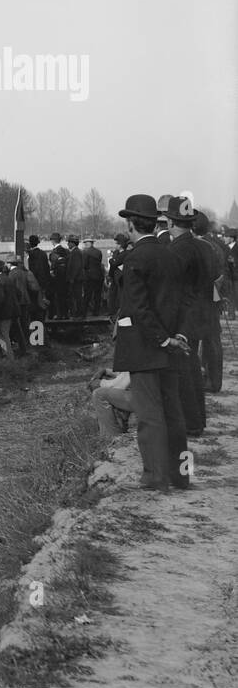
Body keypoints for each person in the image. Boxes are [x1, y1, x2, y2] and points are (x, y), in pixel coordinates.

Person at [111, 194, 189, 491]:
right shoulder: (173, 255)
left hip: (145, 348)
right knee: (174, 414)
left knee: (149, 416)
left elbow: (138, 308)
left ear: (130, 224)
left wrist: (162, 339)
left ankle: (155, 477)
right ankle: (182, 475)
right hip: (171, 347)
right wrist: (177, 337)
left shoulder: (135, 259)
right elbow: (184, 302)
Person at [164, 196, 209, 437]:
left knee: (181, 371)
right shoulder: (200, 246)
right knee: (192, 369)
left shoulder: (176, 249)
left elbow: (172, 289)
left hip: (182, 317)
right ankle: (197, 420)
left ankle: (190, 423)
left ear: (171, 222)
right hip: (199, 315)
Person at [194, 213, 225, 391]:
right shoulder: (215, 245)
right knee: (212, 340)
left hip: (204, 299)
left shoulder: (202, 246)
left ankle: (210, 381)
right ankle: (214, 381)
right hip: (213, 298)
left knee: (208, 341)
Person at [87, 367, 134, 439]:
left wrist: (100, 383)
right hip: (150, 392)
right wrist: (107, 371)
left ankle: (113, 438)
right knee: (112, 392)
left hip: (147, 398)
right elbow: (128, 373)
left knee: (99, 394)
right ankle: (121, 426)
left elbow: (119, 386)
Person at [106, 232, 131, 319]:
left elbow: (114, 262)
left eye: (117, 243)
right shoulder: (116, 252)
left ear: (121, 244)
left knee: (119, 296)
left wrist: (112, 260)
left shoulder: (126, 253)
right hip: (114, 277)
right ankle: (112, 311)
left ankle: (119, 312)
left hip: (120, 278)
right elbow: (113, 264)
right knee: (112, 295)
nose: (115, 245)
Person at [26, 234, 51, 319]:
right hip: (43, 281)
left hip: (34, 282)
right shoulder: (43, 253)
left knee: (35, 304)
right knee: (42, 302)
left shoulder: (31, 255)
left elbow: (31, 270)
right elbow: (47, 268)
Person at [80, 237, 104, 317]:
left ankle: (84, 313)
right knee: (97, 295)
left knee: (87, 295)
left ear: (88, 243)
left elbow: (84, 265)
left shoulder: (85, 252)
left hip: (89, 277)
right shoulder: (98, 252)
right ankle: (96, 312)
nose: (85, 244)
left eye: (86, 243)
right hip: (99, 276)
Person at [48, 232, 70, 318]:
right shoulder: (65, 251)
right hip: (65, 277)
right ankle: (65, 314)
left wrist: (52, 272)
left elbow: (54, 265)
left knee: (58, 297)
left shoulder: (55, 251)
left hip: (57, 277)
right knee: (64, 296)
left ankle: (59, 314)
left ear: (53, 241)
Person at [65, 235, 84, 318]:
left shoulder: (75, 252)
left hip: (76, 279)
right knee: (77, 296)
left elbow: (76, 266)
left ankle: (78, 313)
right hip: (77, 278)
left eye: (69, 242)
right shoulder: (76, 251)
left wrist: (72, 278)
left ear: (73, 243)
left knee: (77, 297)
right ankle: (78, 313)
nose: (68, 244)